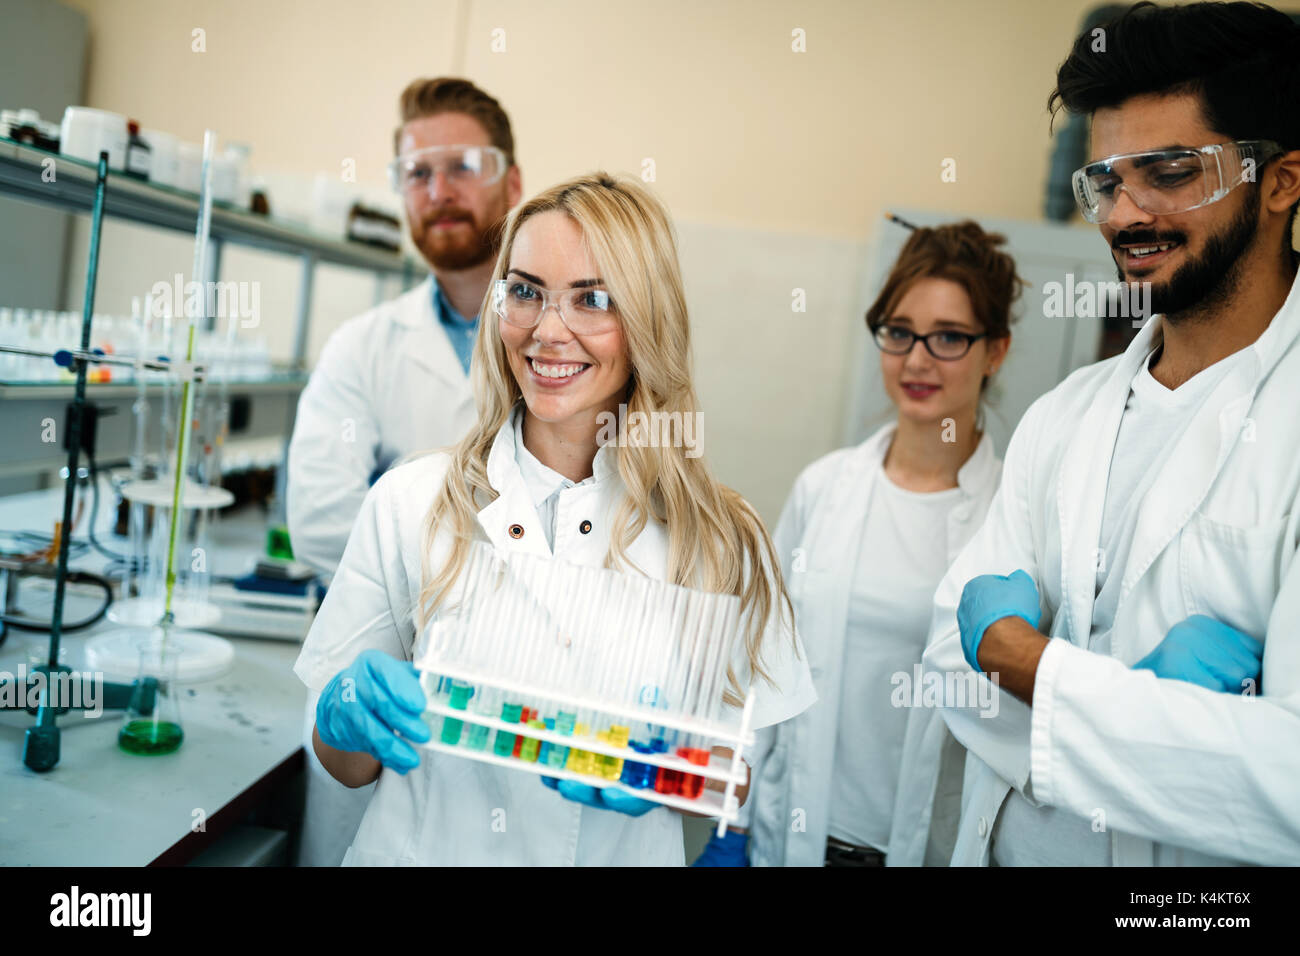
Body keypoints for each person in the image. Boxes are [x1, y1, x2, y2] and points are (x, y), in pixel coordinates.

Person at [292, 172, 817, 865]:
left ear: (647, 321)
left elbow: (738, 771)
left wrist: (675, 777)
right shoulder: (412, 501)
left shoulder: (722, 540)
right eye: (525, 291)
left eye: (592, 300)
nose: (546, 331)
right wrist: (346, 710)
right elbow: (345, 764)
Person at [923, 1, 1300, 866]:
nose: (1125, 215)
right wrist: (1162, 723)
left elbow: (1288, 788)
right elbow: (949, 662)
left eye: (1169, 173)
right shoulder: (1066, 414)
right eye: (1106, 182)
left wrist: (1025, 664)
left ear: (1281, 181)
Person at [700, 221, 1016, 867]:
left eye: (949, 337)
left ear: (997, 351)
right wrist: (730, 821)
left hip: (924, 848)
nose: (917, 359)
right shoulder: (826, 487)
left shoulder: (1013, 518)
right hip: (789, 837)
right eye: (899, 332)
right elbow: (763, 659)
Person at [286, 77, 523, 866]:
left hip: (520, 708)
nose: (439, 191)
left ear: (512, 182)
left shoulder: (569, 343)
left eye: (462, 166)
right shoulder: (364, 346)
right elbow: (320, 518)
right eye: (417, 174)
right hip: (376, 690)